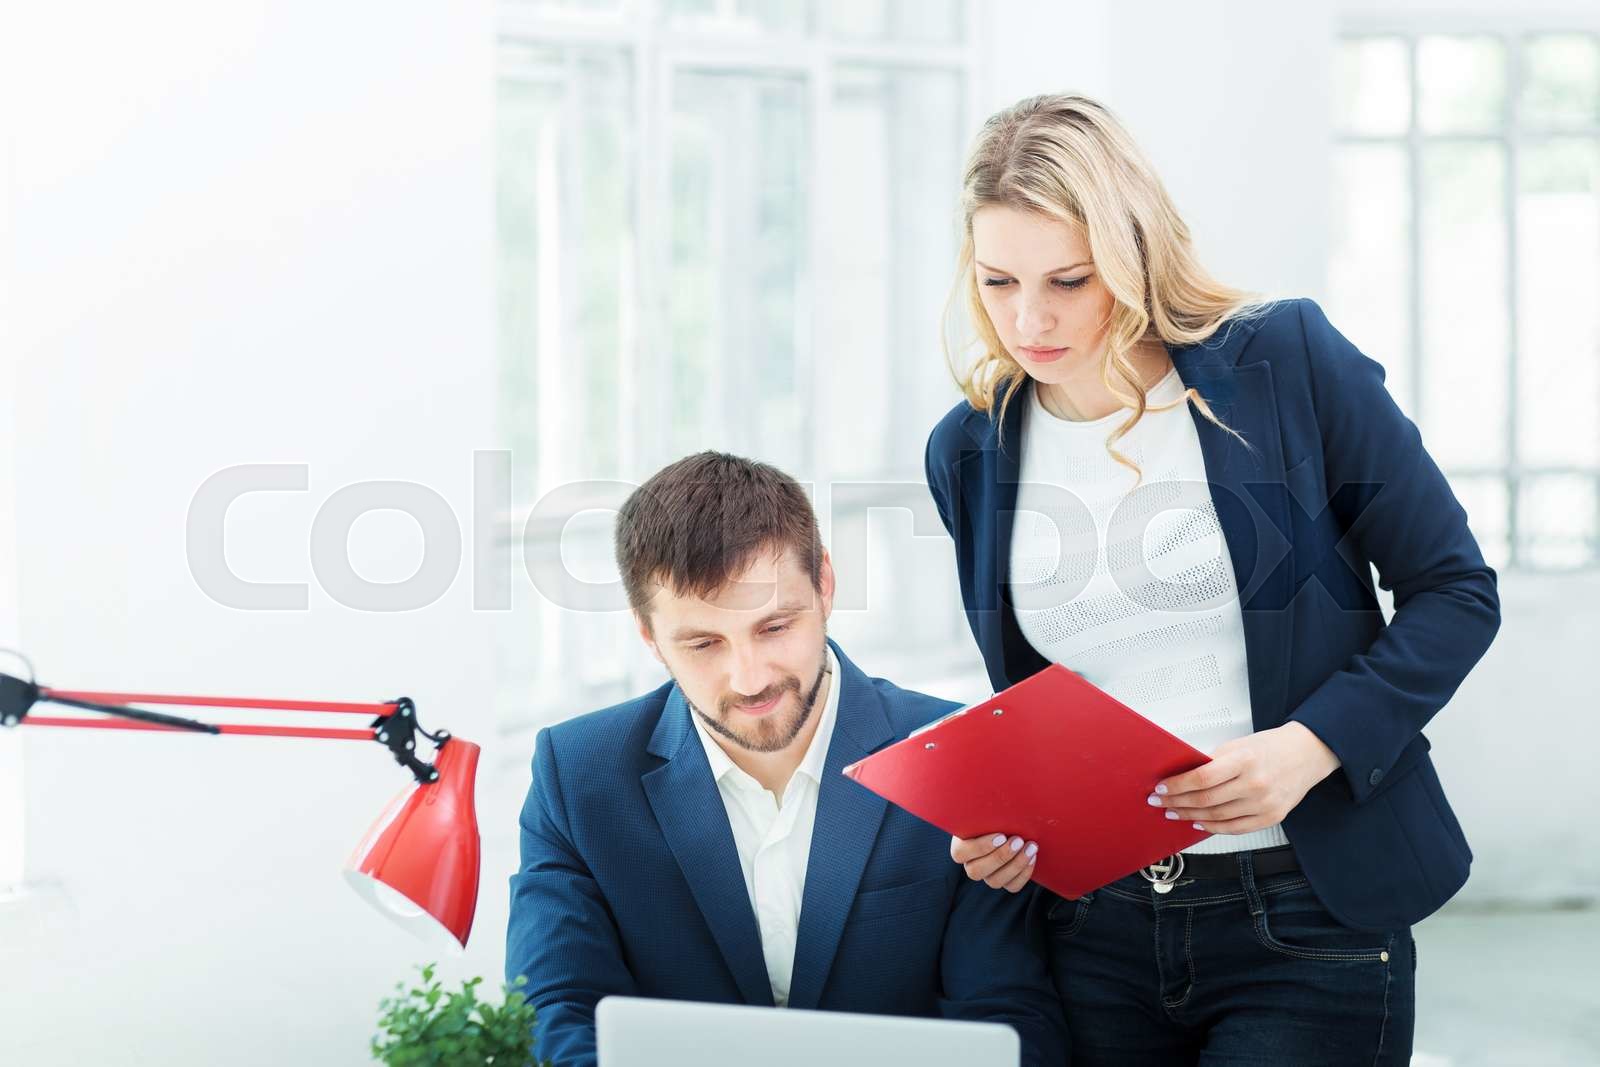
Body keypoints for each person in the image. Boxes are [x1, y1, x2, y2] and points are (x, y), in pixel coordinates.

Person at [923, 93, 1501, 1065]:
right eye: (997, 280)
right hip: (1094, 930)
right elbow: (1040, 697)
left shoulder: (1283, 360)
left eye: (1069, 278)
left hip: (1305, 914)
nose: (1029, 317)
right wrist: (1010, 824)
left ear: (1132, 250)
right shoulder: (970, 448)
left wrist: (1311, 744)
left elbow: (1453, 588)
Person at [506, 451, 1067, 1067]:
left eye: (774, 628)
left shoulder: (960, 752)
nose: (749, 680)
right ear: (647, 634)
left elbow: (1011, 1024)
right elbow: (555, 1012)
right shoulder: (576, 775)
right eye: (702, 643)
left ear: (824, 585)